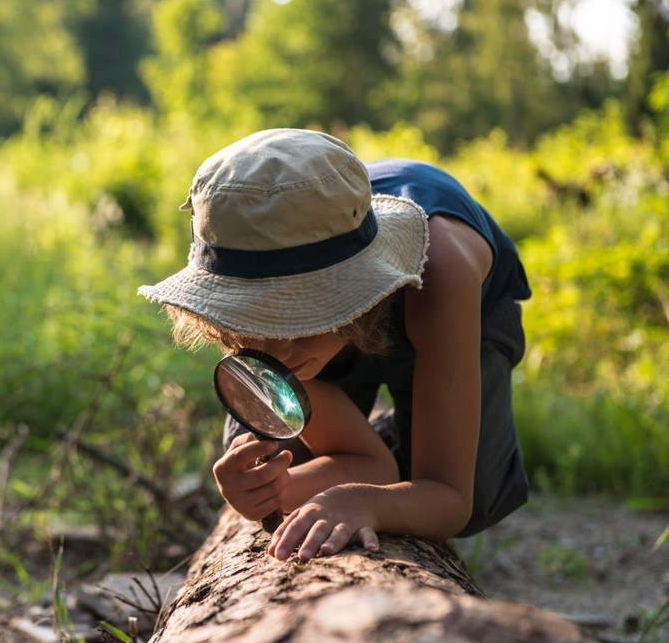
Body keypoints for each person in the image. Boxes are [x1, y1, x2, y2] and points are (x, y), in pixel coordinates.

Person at [138, 129, 530, 562]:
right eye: (255, 318)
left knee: (475, 490)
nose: (276, 351)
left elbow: (451, 500)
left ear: (347, 286)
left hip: (450, 306)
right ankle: (397, 439)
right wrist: (271, 488)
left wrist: (368, 500)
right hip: (334, 300)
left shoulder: (442, 274)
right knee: (283, 452)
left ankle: (409, 435)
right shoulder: (245, 236)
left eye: (300, 315)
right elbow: (357, 467)